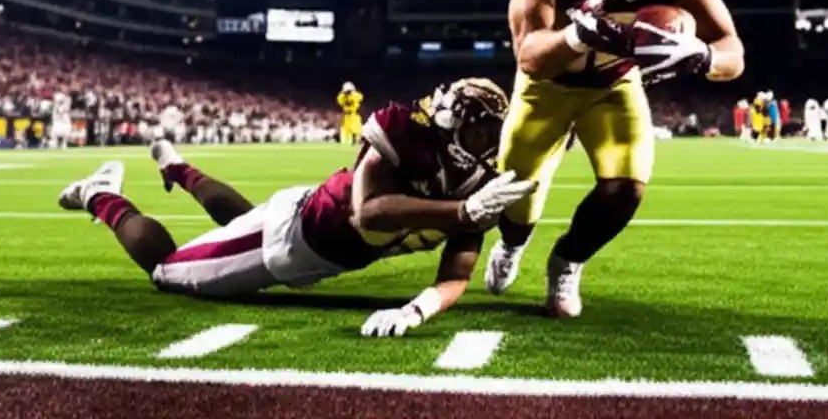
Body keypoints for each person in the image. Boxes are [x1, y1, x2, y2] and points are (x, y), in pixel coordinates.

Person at [492, 0, 745, 317]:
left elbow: (732, 52)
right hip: (548, 83)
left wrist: (696, 56)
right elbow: (531, 55)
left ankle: (566, 263)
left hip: (614, 81)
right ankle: (514, 244)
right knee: (516, 196)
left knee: (626, 188)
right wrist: (579, 35)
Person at [57, 78, 534, 337]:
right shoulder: (403, 130)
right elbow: (367, 212)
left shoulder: (480, 184)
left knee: (237, 222)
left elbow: (454, 276)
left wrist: (415, 312)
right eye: (482, 130)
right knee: (166, 272)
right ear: (456, 123)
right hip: (295, 234)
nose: (491, 143)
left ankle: (177, 168)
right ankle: (101, 194)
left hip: (316, 242)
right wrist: (461, 213)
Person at [336, 81, 364, 146]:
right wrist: (344, 93)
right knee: (345, 130)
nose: (348, 93)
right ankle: (347, 143)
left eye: (349, 91)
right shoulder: (342, 97)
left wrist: (352, 93)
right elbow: (339, 99)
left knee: (356, 130)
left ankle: (355, 141)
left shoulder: (355, 95)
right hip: (346, 116)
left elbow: (360, 97)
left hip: (354, 115)